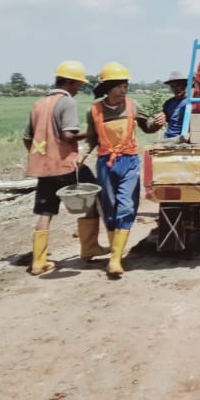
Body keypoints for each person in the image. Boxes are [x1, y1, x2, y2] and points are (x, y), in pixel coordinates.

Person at [22, 60, 106, 275]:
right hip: (67, 164)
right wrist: (92, 132)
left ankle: (38, 261)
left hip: (43, 166)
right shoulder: (67, 102)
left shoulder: (39, 103)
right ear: (69, 82)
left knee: (45, 211)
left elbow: (27, 138)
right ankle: (89, 248)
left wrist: (42, 154)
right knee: (94, 196)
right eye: (78, 85)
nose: (78, 89)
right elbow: (68, 134)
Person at [83, 62, 164, 278]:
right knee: (108, 207)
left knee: (126, 206)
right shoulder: (94, 111)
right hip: (105, 163)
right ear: (107, 88)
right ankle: (114, 252)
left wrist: (157, 122)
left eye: (126, 85)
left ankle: (116, 260)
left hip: (128, 161)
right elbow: (92, 138)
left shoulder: (132, 106)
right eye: (119, 85)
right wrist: (82, 155)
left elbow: (148, 126)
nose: (124, 89)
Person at [160, 70, 189, 140]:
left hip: (183, 138)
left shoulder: (190, 103)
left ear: (185, 85)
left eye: (178, 85)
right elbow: (165, 120)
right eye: (173, 86)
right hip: (168, 137)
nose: (176, 89)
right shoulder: (168, 103)